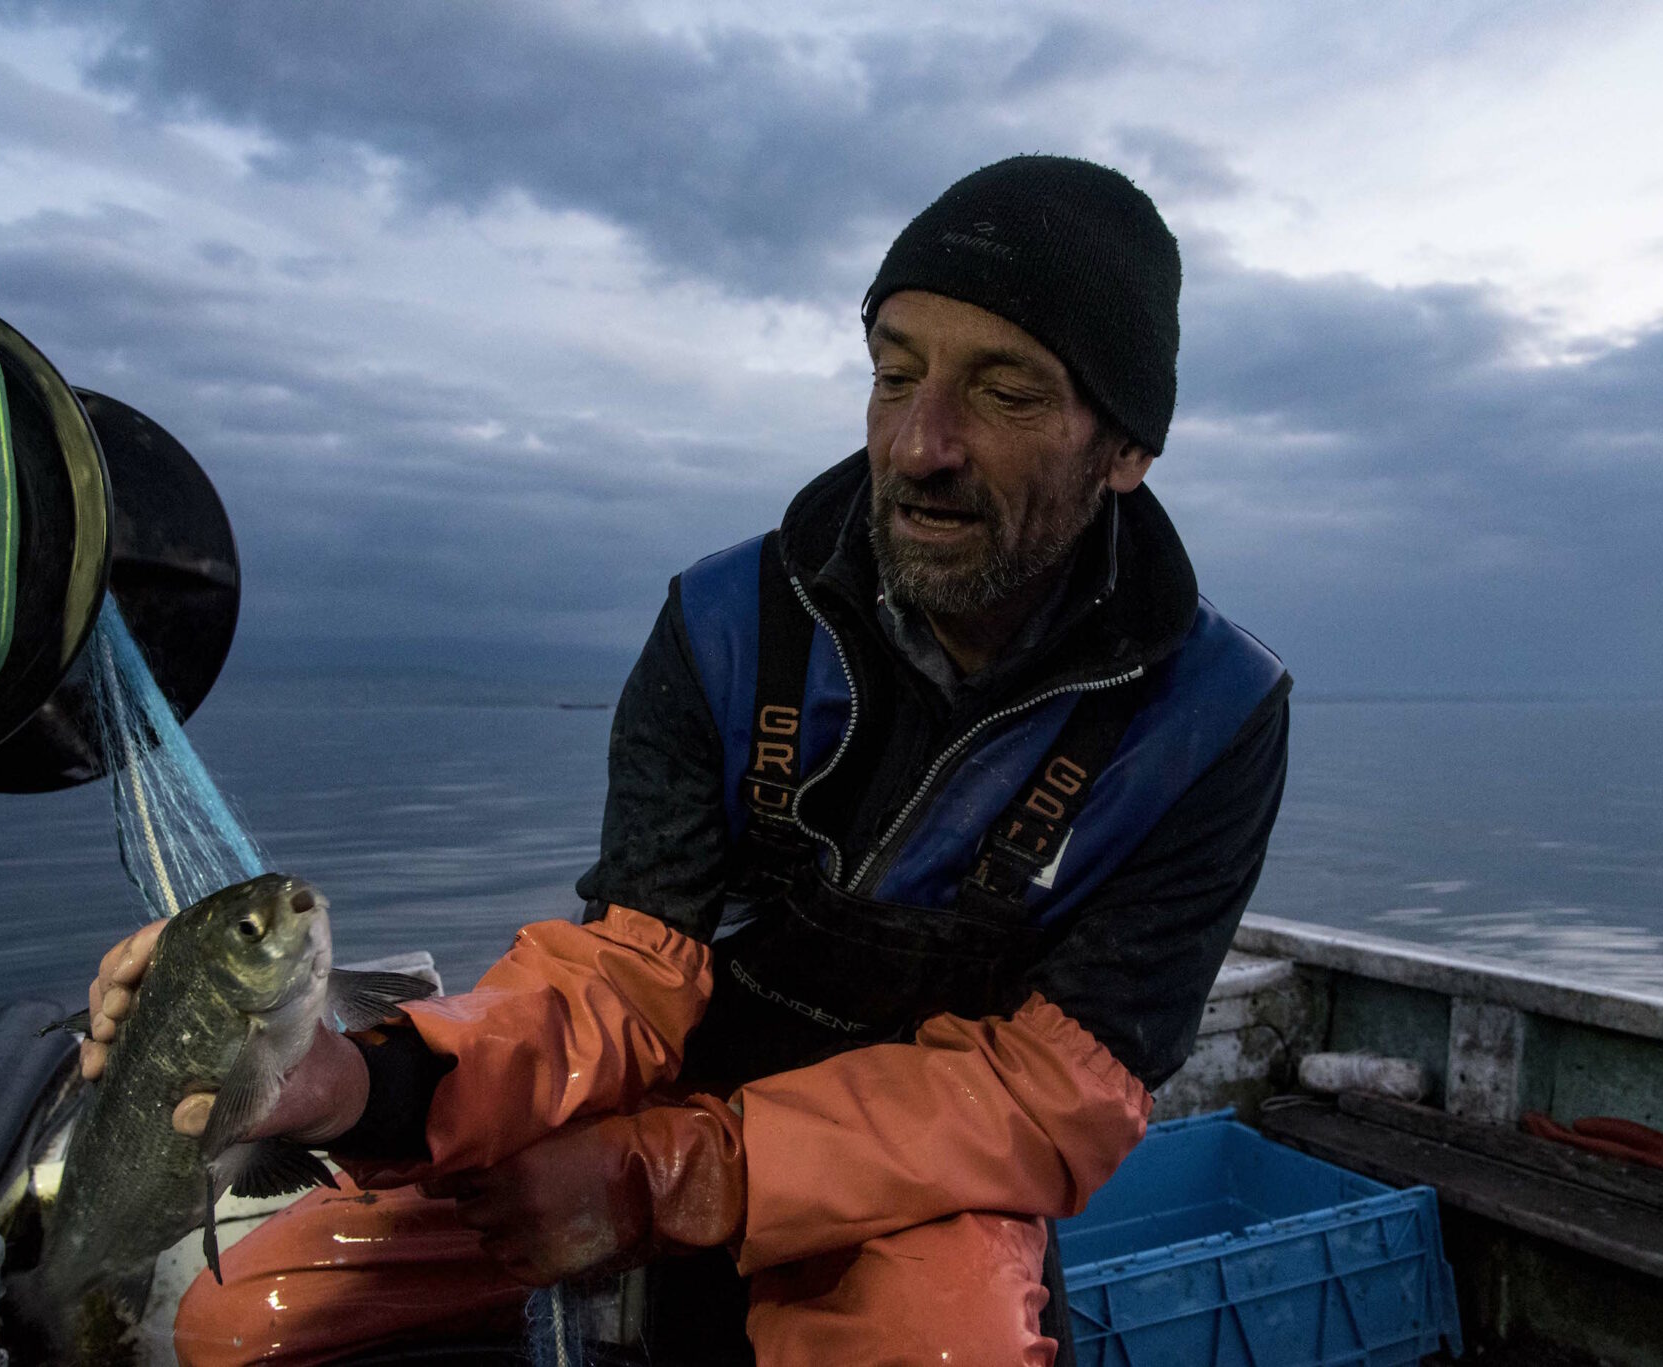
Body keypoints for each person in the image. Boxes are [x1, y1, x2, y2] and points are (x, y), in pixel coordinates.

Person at [86, 154, 1291, 1366]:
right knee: (248, 1316)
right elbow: (622, 972)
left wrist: (682, 1173)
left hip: (911, 1179)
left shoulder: (1207, 719)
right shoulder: (728, 622)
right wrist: (351, 1082)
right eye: (892, 376)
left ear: (1124, 446)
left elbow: (1050, 1094)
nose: (921, 443)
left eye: (1005, 394)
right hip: (648, 1098)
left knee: (948, 1338)